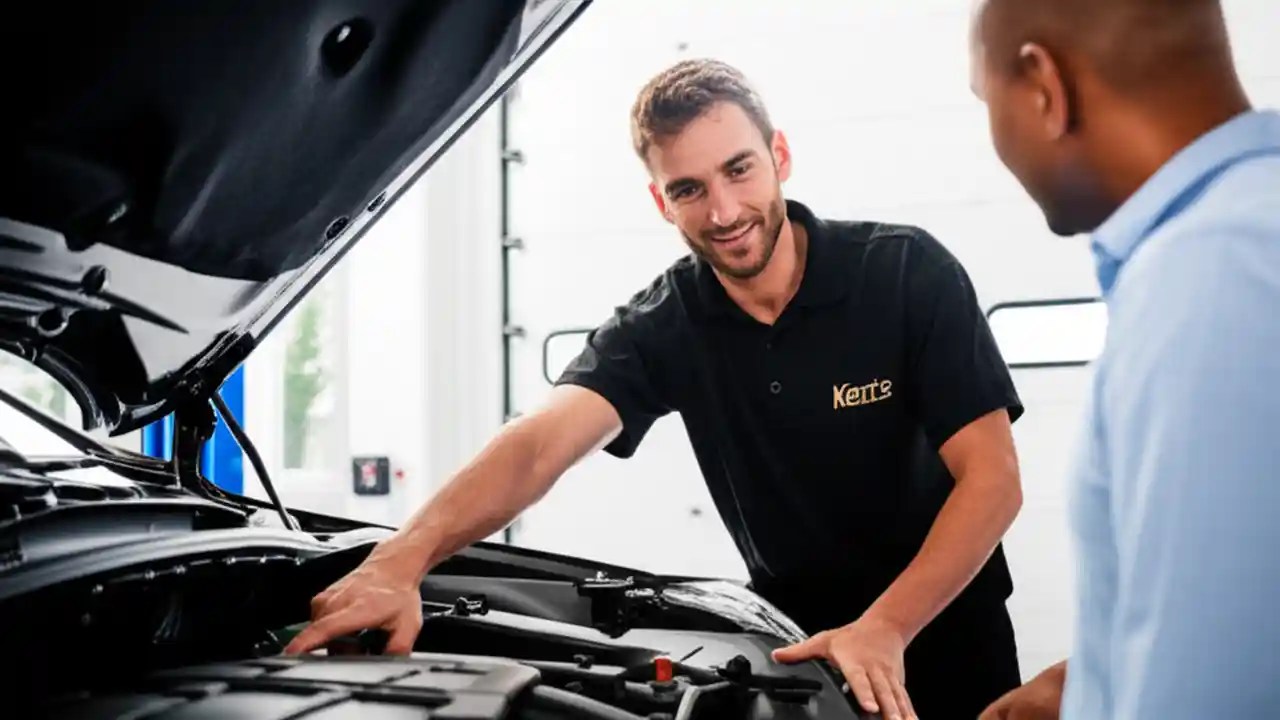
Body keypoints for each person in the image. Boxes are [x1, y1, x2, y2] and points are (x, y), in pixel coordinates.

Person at [286, 58, 1027, 720]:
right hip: (800, 662)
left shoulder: (905, 274)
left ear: (781, 155)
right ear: (660, 201)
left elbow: (993, 482)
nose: (724, 212)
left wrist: (887, 626)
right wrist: (399, 560)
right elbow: (538, 446)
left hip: (949, 641)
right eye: (689, 190)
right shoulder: (667, 322)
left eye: (740, 170)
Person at [968, 1, 1280, 718]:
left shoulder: (1212, 273)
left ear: (1044, 86)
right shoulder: (1249, 231)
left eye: (989, 102)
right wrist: (1091, 685)